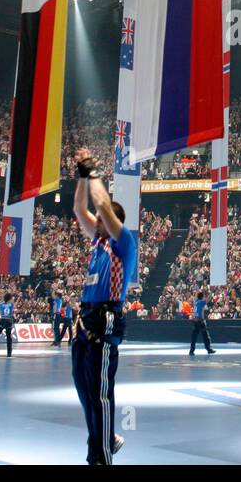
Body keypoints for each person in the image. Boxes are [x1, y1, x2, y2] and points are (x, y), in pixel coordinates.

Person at [71, 148, 138, 465]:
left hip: (105, 318)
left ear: (113, 221)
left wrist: (93, 170)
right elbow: (78, 208)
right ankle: (100, 440)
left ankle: (104, 454)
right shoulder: (98, 241)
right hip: (84, 319)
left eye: (101, 220)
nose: (93, 222)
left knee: (99, 392)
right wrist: (82, 177)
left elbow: (99, 205)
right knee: (84, 388)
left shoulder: (124, 243)